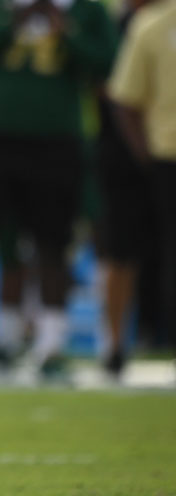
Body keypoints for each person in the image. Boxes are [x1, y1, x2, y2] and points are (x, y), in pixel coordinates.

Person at [0, 0, 116, 378]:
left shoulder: (86, 9)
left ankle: (51, 345)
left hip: (55, 139)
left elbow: (107, 63)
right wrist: (12, 19)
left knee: (53, 242)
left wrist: (64, 28)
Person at [105, 0, 176, 370]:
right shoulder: (151, 24)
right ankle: (116, 345)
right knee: (125, 250)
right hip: (160, 155)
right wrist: (145, 158)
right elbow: (124, 99)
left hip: (157, 155)